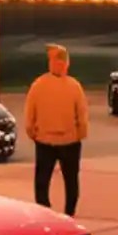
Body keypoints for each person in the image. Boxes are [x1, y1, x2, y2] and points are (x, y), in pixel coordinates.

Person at [25, 44, 89, 216]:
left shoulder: (38, 85)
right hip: (65, 141)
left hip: (50, 141)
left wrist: (33, 132)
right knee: (69, 181)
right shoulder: (73, 86)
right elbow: (82, 117)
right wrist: (80, 134)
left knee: (44, 181)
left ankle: (48, 211)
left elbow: (29, 117)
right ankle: (67, 213)